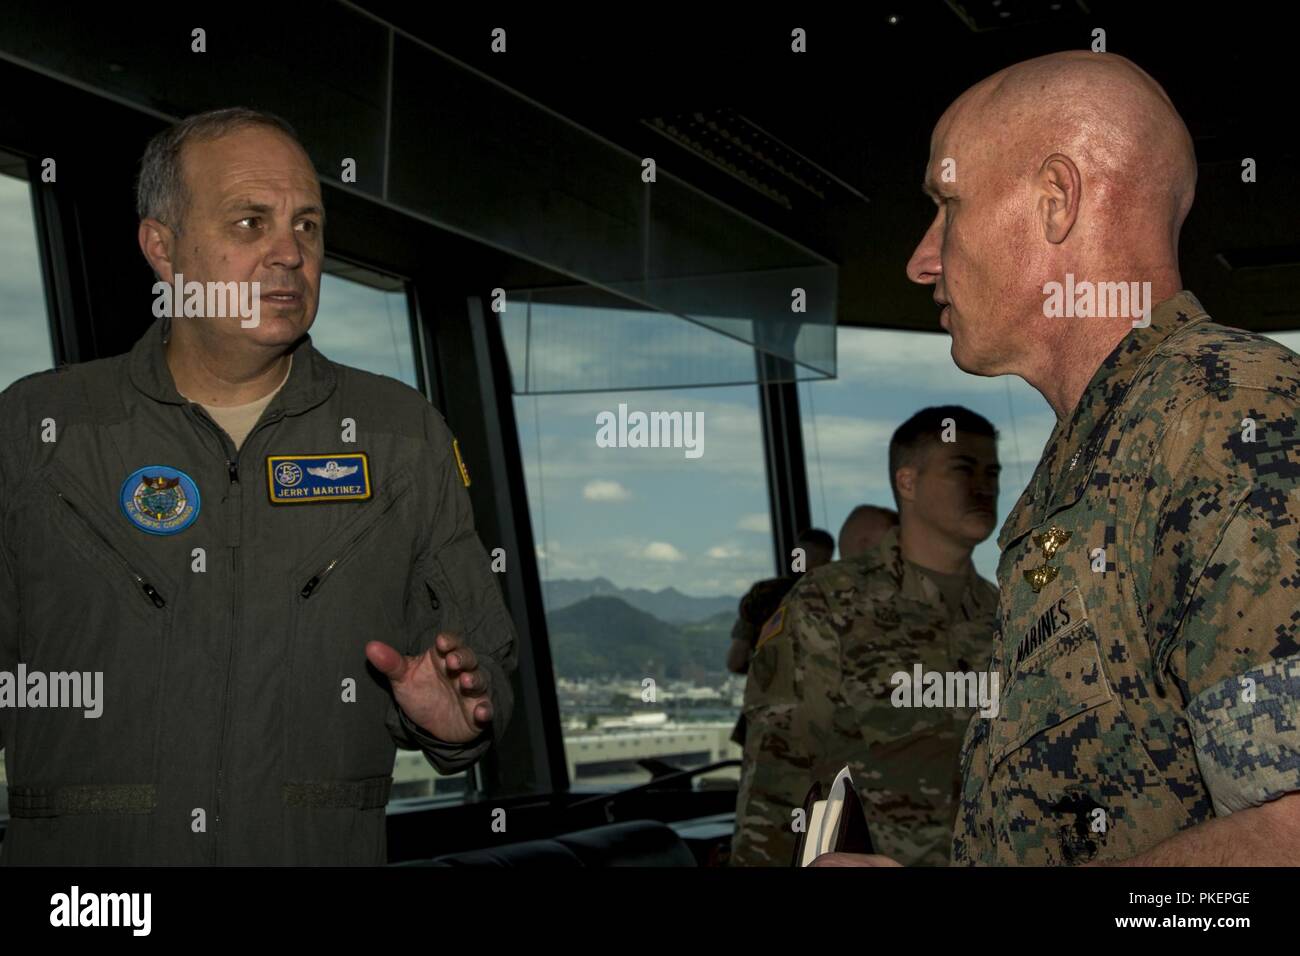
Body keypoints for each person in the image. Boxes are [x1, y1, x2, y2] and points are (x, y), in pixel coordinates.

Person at [0, 108, 517, 865]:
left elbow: (485, 663)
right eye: (250, 223)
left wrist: (462, 718)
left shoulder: (401, 437)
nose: (289, 254)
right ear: (163, 248)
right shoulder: (41, 430)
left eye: (307, 226)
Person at [821, 50, 1300, 866]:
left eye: (948, 205)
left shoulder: (1231, 417)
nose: (921, 259)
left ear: (1056, 200)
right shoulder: (1093, 461)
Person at [731, 407, 1000, 866]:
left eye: (992, 472)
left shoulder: (1002, 610)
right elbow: (777, 777)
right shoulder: (828, 602)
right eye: (962, 469)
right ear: (908, 483)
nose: (983, 487)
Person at [725, 529, 832, 748]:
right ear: (828, 559)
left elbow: (735, 661)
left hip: (767, 715)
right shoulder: (840, 598)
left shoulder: (763, 596)